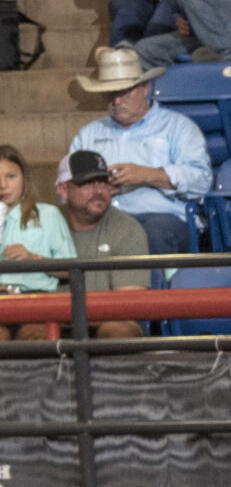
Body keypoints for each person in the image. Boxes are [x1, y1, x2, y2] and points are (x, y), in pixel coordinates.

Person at [62, 46, 210, 252]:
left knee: (152, 235)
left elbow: (201, 181)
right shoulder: (88, 134)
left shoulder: (178, 127)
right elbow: (63, 188)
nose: (116, 101)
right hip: (102, 218)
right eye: (110, 94)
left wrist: (148, 175)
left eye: (124, 92)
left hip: (161, 218)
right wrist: (96, 191)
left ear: (144, 88)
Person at [55, 151, 154, 334]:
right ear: (63, 190)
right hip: (52, 322)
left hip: (104, 321)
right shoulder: (43, 223)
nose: (98, 190)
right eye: (87, 183)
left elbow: (129, 303)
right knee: (31, 331)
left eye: (103, 182)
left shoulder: (127, 228)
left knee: (120, 330)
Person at [0, 143, 77, 336]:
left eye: (10, 176)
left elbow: (70, 269)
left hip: (35, 301)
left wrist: (32, 258)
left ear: (24, 178)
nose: (3, 185)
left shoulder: (48, 214)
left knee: (34, 336)